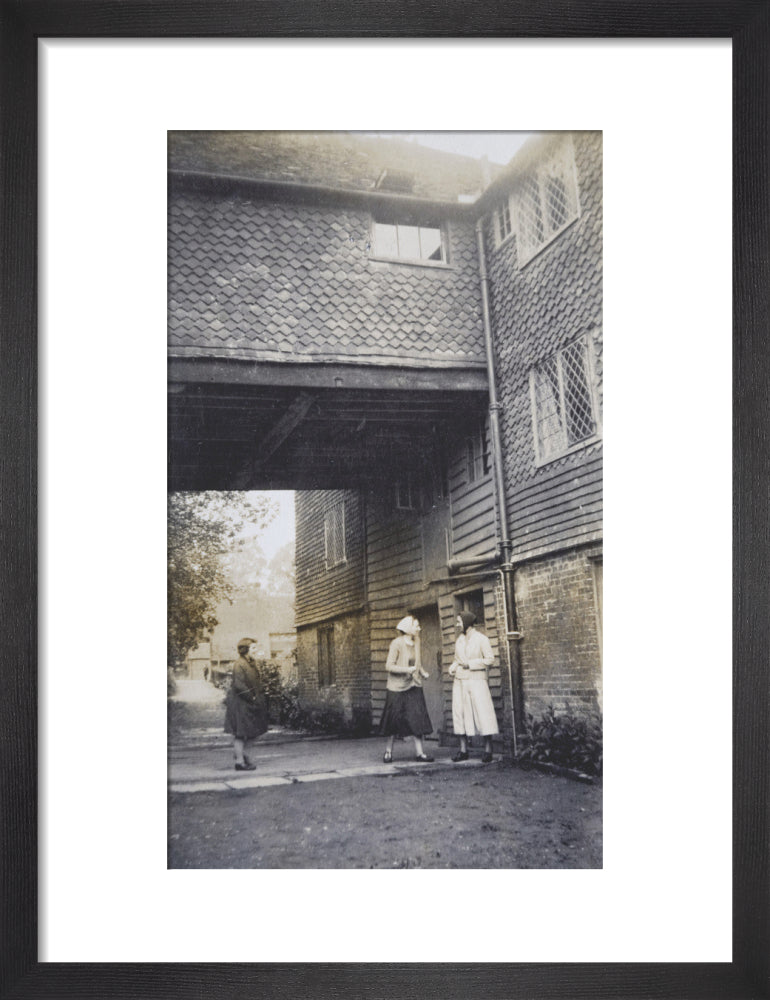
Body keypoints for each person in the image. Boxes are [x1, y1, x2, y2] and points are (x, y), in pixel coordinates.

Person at [379, 615, 434, 763]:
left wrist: (422, 672)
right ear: (408, 628)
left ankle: (420, 753)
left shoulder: (417, 641)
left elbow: (417, 662)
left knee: (417, 718)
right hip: (397, 688)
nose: (419, 628)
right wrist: (406, 670)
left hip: (413, 685)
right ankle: (388, 752)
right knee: (393, 720)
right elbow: (389, 666)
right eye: (416, 626)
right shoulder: (396, 643)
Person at [449, 611, 498, 763]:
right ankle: (463, 750)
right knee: (460, 714)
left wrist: (470, 664)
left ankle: (488, 750)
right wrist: (453, 667)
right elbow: (458, 659)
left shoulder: (481, 639)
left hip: (477, 681)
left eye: (459, 622)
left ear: (467, 623)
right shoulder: (459, 640)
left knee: (482, 713)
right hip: (460, 681)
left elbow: (490, 660)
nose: (457, 625)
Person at [223, 637, 268, 771]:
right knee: (241, 733)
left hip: (250, 702)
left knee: (254, 731)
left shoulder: (251, 663)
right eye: (253, 648)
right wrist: (252, 698)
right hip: (240, 703)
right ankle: (240, 762)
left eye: (256, 648)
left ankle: (241, 754)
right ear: (246, 649)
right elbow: (239, 685)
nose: (256, 650)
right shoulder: (239, 664)